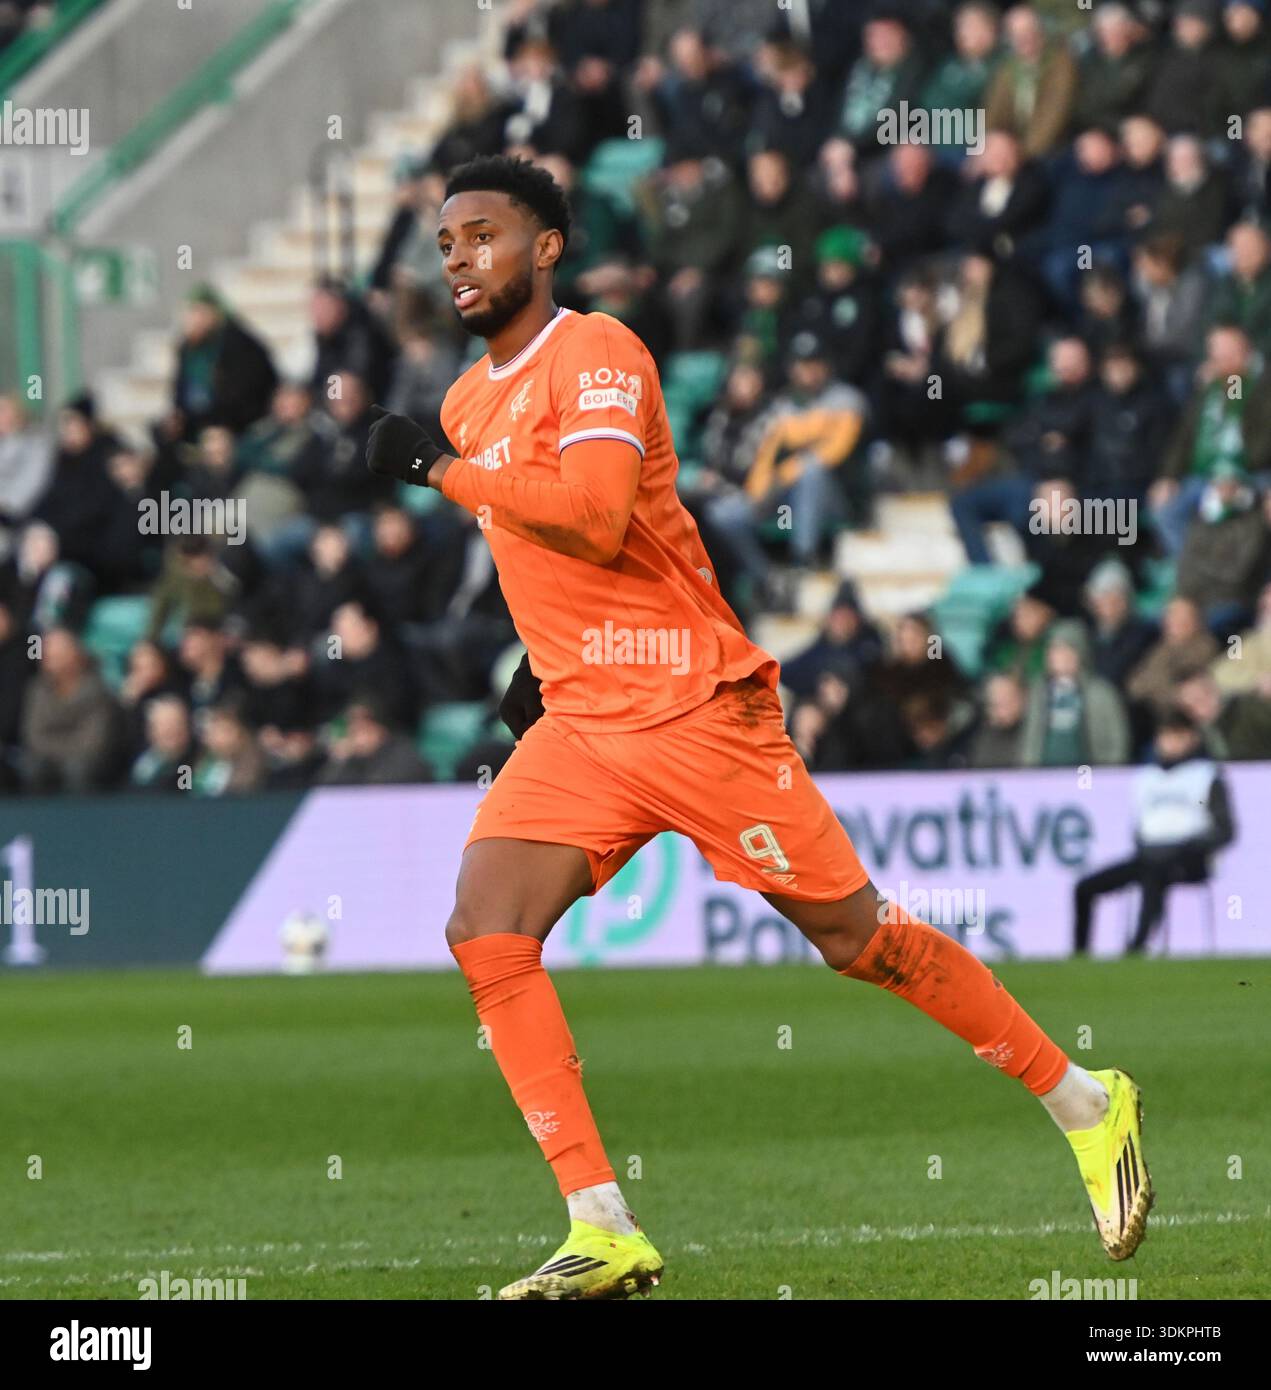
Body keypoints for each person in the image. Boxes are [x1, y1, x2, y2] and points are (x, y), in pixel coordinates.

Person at [362, 154, 1154, 1299]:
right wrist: (542, 674)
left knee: (857, 938)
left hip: (693, 708)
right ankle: (600, 1219)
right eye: (444, 244)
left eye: (482, 234)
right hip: (586, 719)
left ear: (544, 247)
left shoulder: (596, 353)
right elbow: (545, 558)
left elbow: (589, 516)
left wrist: (438, 472)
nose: (459, 259)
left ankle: (1083, 1100)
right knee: (486, 927)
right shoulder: (467, 397)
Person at [1073, 711, 1234, 955]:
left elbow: (1226, 831)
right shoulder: (1146, 777)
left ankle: (1136, 948)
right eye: (1166, 736)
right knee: (1084, 887)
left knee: (1153, 873)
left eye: (1177, 736)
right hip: (1149, 855)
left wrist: (1190, 845)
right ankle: (1080, 954)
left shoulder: (1207, 775)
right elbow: (1138, 827)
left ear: (1192, 739)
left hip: (1190, 857)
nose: (1170, 743)